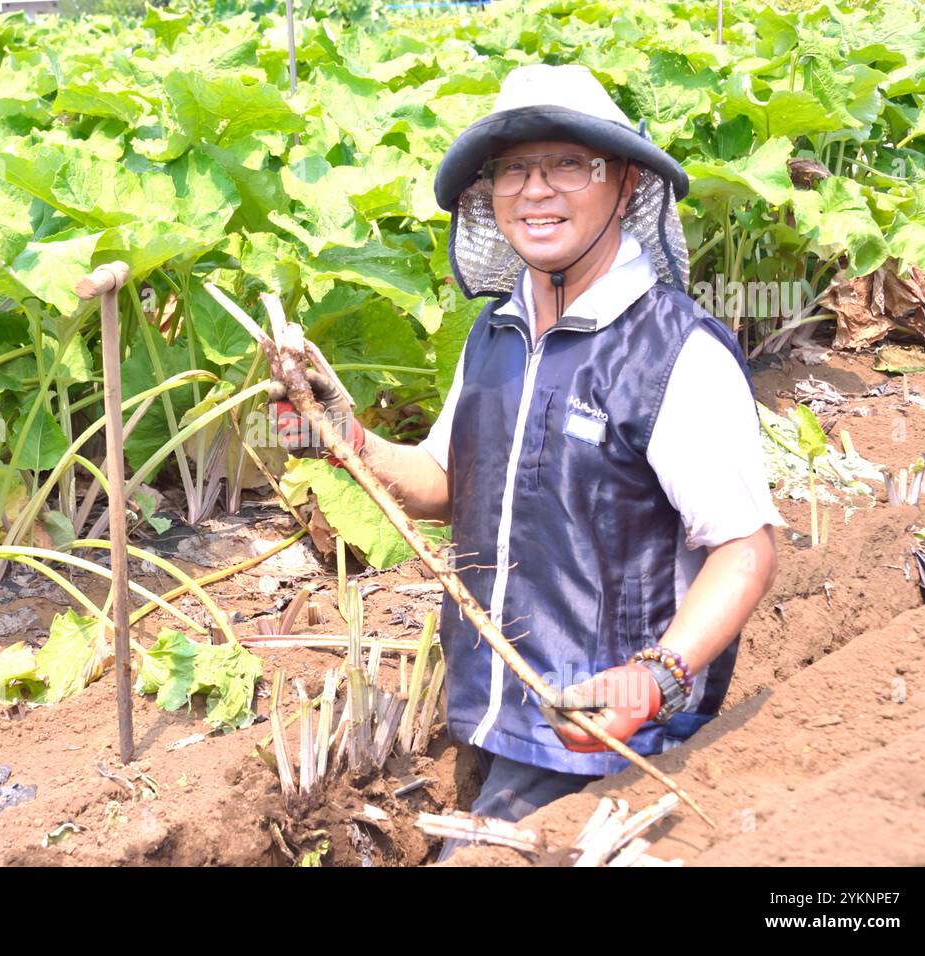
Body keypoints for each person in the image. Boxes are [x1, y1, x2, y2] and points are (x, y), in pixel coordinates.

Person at [268, 64, 784, 860]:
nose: (536, 189)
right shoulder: (496, 334)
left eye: (569, 164)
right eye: (514, 168)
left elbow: (745, 548)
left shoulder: (674, 354)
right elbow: (446, 485)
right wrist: (347, 441)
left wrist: (654, 679)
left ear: (624, 185)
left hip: (603, 734)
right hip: (494, 707)